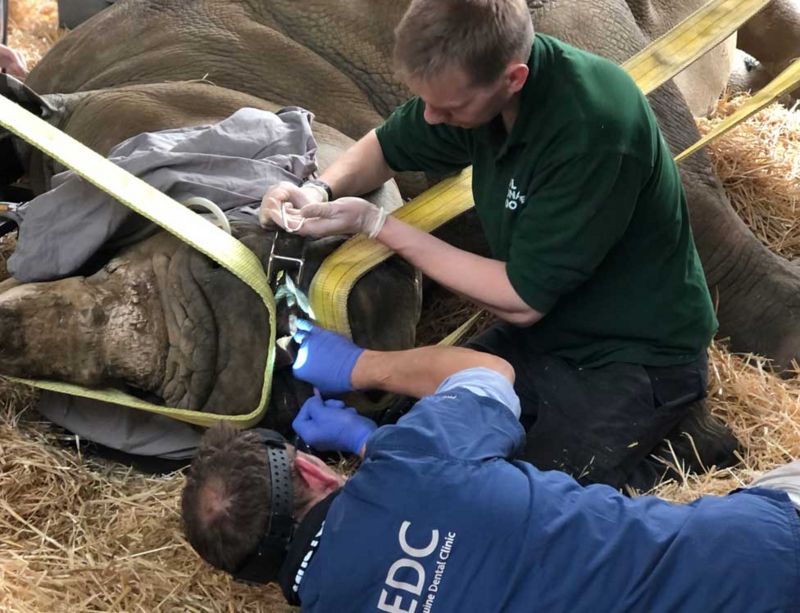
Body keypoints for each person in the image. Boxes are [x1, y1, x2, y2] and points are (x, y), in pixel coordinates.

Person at [257, 0, 737, 489]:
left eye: (449, 107)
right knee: (416, 426)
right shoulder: (474, 90)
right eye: (425, 101)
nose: (432, 117)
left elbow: (520, 301)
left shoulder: (592, 127)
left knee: (506, 489)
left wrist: (379, 224)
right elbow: (386, 145)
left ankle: (680, 437)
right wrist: (319, 190)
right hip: (549, 331)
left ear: (514, 78)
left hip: (634, 353)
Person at [181, 320, 800, 612]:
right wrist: (360, 367)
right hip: (756, 561)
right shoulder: (413, 460)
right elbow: (488, 375)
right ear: (313, 472)